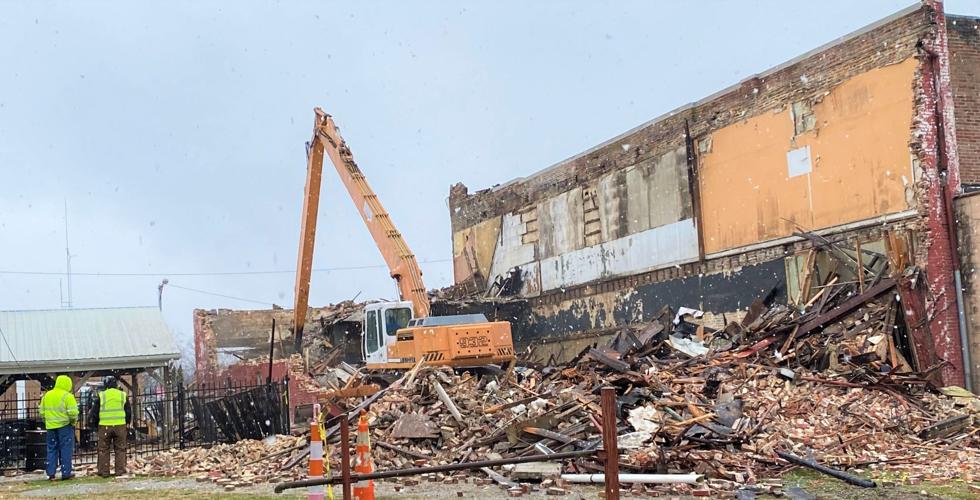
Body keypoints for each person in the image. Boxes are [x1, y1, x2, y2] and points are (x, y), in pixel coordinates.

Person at [39, 375, 78, 480]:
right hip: (65, 426)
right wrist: (73, 422)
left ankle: (51, 473)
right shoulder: (67, 396)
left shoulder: (47, 395)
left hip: (51, 427)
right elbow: (73, 413)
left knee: (51, 449)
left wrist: (47, 421)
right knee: (66, 449)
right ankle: (66, 473)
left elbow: (41, 412)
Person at [92, 376, 131, 477]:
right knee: (120, 449)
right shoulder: (123, 395)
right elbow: (128, 411)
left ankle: (104, 471)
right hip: (120, 425)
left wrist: (95, 424)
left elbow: (95, 412)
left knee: (103, 449)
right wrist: (127, 422)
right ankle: (120, 470)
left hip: (104, 425)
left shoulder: (102, 395)